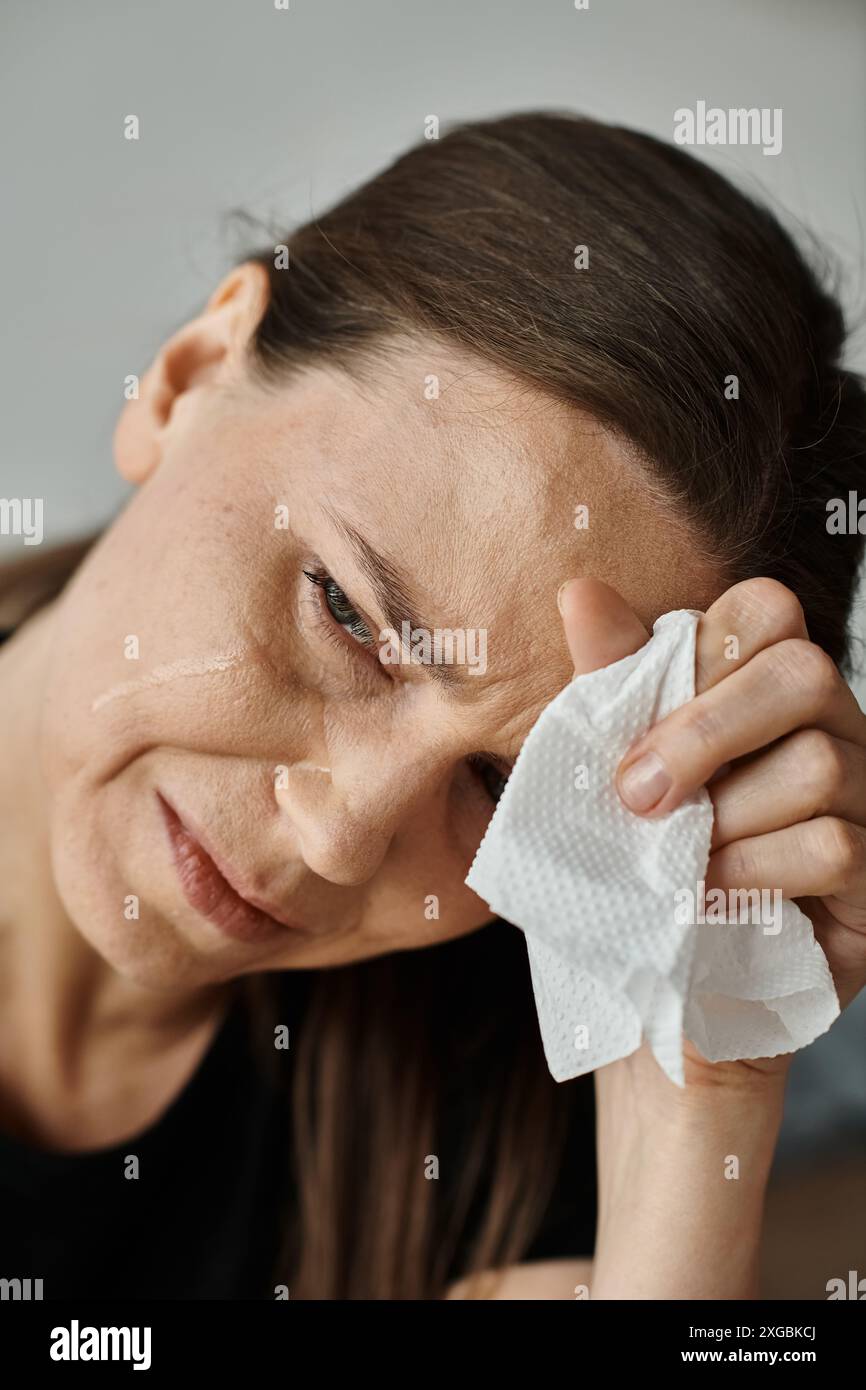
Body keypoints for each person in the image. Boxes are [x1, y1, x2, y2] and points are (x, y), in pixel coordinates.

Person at [1, 111, 865, 1300]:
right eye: (348, 615)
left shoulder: (501, 1087)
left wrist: (698, 1083)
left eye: (506, 788)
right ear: (193, 375)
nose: (341, 836)